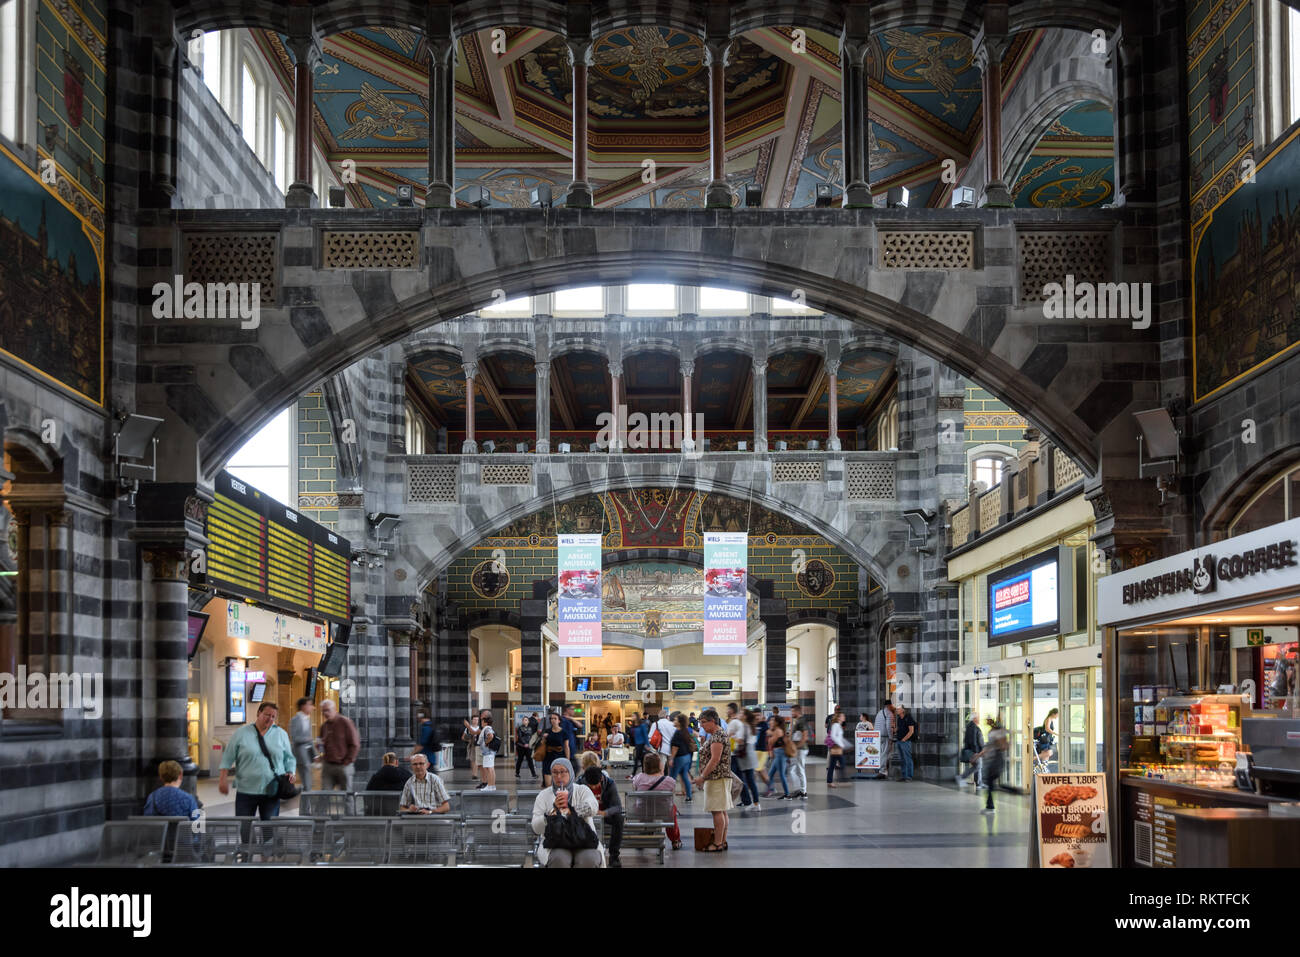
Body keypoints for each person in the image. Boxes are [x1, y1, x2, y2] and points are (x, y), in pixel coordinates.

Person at [218, 701, 297, 821]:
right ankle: (248, 841)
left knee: (269, 830)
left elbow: (289, 758)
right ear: (258, 713)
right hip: (246, 790)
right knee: (244, 828)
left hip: (272, 789)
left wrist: (291, 772)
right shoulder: (241, 733)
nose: (269, 719)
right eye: (267, 715)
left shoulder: (281, 734)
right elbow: (228, 757)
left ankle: (267, 840)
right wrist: (222, 779)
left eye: (273, 717)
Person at [531, 757, 604, 867]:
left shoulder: (582, 790)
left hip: (583, 840)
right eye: (554, 773)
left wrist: (571, 811)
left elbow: (593, 807)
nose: (559, 776)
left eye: (562, 772)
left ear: (570, 772)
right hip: (555, 843)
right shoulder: (544, 795)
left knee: (589, 859)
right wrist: (552, 813)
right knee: (560, 859)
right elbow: (536, 827)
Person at [692, 708, 732, 852]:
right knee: (722, 811)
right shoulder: (717, 734)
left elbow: (715, 759)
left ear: (712, 721)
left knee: (717, 811)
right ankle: (722, 840)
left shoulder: (717, 736)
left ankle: (717, 843)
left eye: (703, 722)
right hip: (719, 777)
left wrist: (702, 777)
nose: (701, 725)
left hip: (716, 778)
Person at [580, 752, 624, 867]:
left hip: (603, 814)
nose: (594, 788)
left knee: (619, 818)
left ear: (601, 779)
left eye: (596, 785)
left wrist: (604, 812)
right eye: (591, 786)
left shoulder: (609, 783)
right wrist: (587, 812)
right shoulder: (579, 783)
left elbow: (618, 806)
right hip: (587, 816)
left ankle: (614, 856)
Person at [632, 752, 682, 851]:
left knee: (645, 805)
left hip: (643, 811)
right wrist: (661, 774)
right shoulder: (669, 781)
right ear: (659, 765)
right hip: (663, 812)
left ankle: (644, 834)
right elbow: (671, 796)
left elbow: (635, 789)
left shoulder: (638, 778)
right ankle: (675, 840)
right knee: (672, 808)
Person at [318, 699, 359, 792]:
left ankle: (350, 807)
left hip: (343, 766)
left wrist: (348, 760)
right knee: (324, 794)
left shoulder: (345, 722)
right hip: (328, 766)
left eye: (327, 710)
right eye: (323, 711)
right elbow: (320, 743)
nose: (325, 713)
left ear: (334, 709)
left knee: (347, 795)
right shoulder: (324, 726)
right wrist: (320, 751)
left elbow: (355, 744)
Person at [726, 703, 760, 810]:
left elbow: (740, 740)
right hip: (750, 753)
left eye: (741, 713)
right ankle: (754, 803)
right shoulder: (750, 726)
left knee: (748, 780)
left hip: (745, 756)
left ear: (744, 716)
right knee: (749, 780)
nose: (739, 714)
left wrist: (732, 736)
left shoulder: (744, 726)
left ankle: (754, 803)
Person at [976, 715, 1009, 812]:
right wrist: (979, 755)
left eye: (987, 720)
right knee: (990, 782)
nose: (986, 721)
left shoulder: (995, 733)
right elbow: (990, 747)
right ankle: (990, 806)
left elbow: (1002, 746)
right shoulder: (994, 732)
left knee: (990, 782)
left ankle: (990, 806)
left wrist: (997, 743)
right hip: (995, 759)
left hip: (996, 760)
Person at [667, 712, 695, 802]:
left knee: (672, 777)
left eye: (675, 720)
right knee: (684, 776)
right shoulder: (686, 731)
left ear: (680, 722)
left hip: (679, 758)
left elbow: (675, 747)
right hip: (686, 757)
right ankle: (689, 796)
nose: (673, 721)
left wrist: (671, 758)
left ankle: (668, 796)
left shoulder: (678, 733)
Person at [290, 697, 315, 793]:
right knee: (305, 772)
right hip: (299, 752)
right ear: (303, 706)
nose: (312, 707)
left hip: (307, 752)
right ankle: (307, 792)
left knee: (307, 773)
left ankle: (306, 791)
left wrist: (315, 753)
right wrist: (307, 739)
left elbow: (310, 738)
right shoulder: (295, 719)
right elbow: (295, 738)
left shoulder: (308, 719)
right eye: (310, 704)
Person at [763, 715, 791, 799]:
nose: (770, 722)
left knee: (782, 775)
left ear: (777, 722)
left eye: (772, 720)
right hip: (777, 753)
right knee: (770, 774)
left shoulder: (778, 731)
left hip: (780, 754)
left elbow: (771, 742)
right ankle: (770, 790)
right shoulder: (776, 730)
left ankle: (787, 794)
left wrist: (770, 734)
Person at [787, 704, 811, 799]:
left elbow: (805, 737)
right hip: (798, 749)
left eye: (792, 711)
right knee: (793, 769)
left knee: (799, 770)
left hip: (800, 750)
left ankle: (803, 791)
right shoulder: (798, 721)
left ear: (797, 711)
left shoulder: (802, 721)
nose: (791, 713)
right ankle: (800, 790)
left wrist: (796, 747)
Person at [542, 711, 571, 786]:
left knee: (559, 782)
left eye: (555, 718)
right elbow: (542, 744)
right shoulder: (547, 731)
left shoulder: (564, 732)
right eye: (551, 718)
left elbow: (566, 746)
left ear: (559, 720)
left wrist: (567, 760)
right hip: (548, 757)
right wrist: (543, 738)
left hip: (559, 757)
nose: (553, 720)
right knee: (548, 784)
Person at [873, 701, 896, 780]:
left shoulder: (880, 712)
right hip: (885, 736)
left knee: (881, 753)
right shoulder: (889, 714)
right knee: (884, 754)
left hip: (878, 735)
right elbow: (889, 727)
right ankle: (882, 771)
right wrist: (891, 737)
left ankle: (881, 769)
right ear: (890, 705)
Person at [958, 712, 983, 786]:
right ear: (974, 719)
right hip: (975, 751)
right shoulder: (973, 727)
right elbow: (973, 740)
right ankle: (962, 777)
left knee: (978, 766)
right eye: (978, 717)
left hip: (974, 750)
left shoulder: (970, 726)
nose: (979, 719)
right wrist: (976, 752)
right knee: (978, 766)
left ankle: (979, 783)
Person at [826, 711, 849, 788]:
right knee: (842, 763)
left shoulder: (838, 725)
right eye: (843, 716)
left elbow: (839, 737)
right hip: (836, 747)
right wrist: (841, 744)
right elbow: (833, 736)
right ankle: (843, 780)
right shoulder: (836, 725)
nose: (844, 717)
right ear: (839, 717)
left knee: (832, 765)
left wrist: (844, 744)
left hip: (837, 747)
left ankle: (830, 781)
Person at [894, 704, 916, 782]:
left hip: (905, 741)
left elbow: (911, 731)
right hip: (899, 740)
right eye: (896, 709)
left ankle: (909, 776)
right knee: (902, 759)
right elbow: (900, 728)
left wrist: (904, 739)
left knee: (907, 758)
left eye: (898, 709)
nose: (896, 710)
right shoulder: (899, 718)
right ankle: (904, 775)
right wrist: (895, 729)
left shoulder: (908, 718)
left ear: (903, 710)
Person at [479, 713, 499, 790]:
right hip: (489, 752)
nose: (481, 723)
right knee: (490, 768)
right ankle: (492, 785)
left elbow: (490, 736)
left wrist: (486, 742)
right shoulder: (489, 728)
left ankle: (490, 786)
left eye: (482, 721)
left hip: (488, 752)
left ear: (485, 722)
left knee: (489, 769)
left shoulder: (487, 728)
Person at [463, 712, 482, 782]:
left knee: (477, 760)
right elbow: (463, 737)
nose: (476, 721)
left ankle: (475, 774)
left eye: (477, 720)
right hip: (472, 746)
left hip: (479, 746)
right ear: (472, 720)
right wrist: (468, 740)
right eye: (474, 719)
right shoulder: (467, 729)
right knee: (473, 760)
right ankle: (474, 774)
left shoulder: (480, 728)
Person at [629, 716, 648, 781]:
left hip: (641, 744)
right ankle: (642, 774)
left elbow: (645, 736)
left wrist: (647, 744)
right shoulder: (633, 726)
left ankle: (634, 774)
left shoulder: (642, 725)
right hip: (637, 744)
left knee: (637, 760)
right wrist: (629, 742)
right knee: (641, 760)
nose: (632, 717)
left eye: (633, 715)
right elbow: (630, 735)